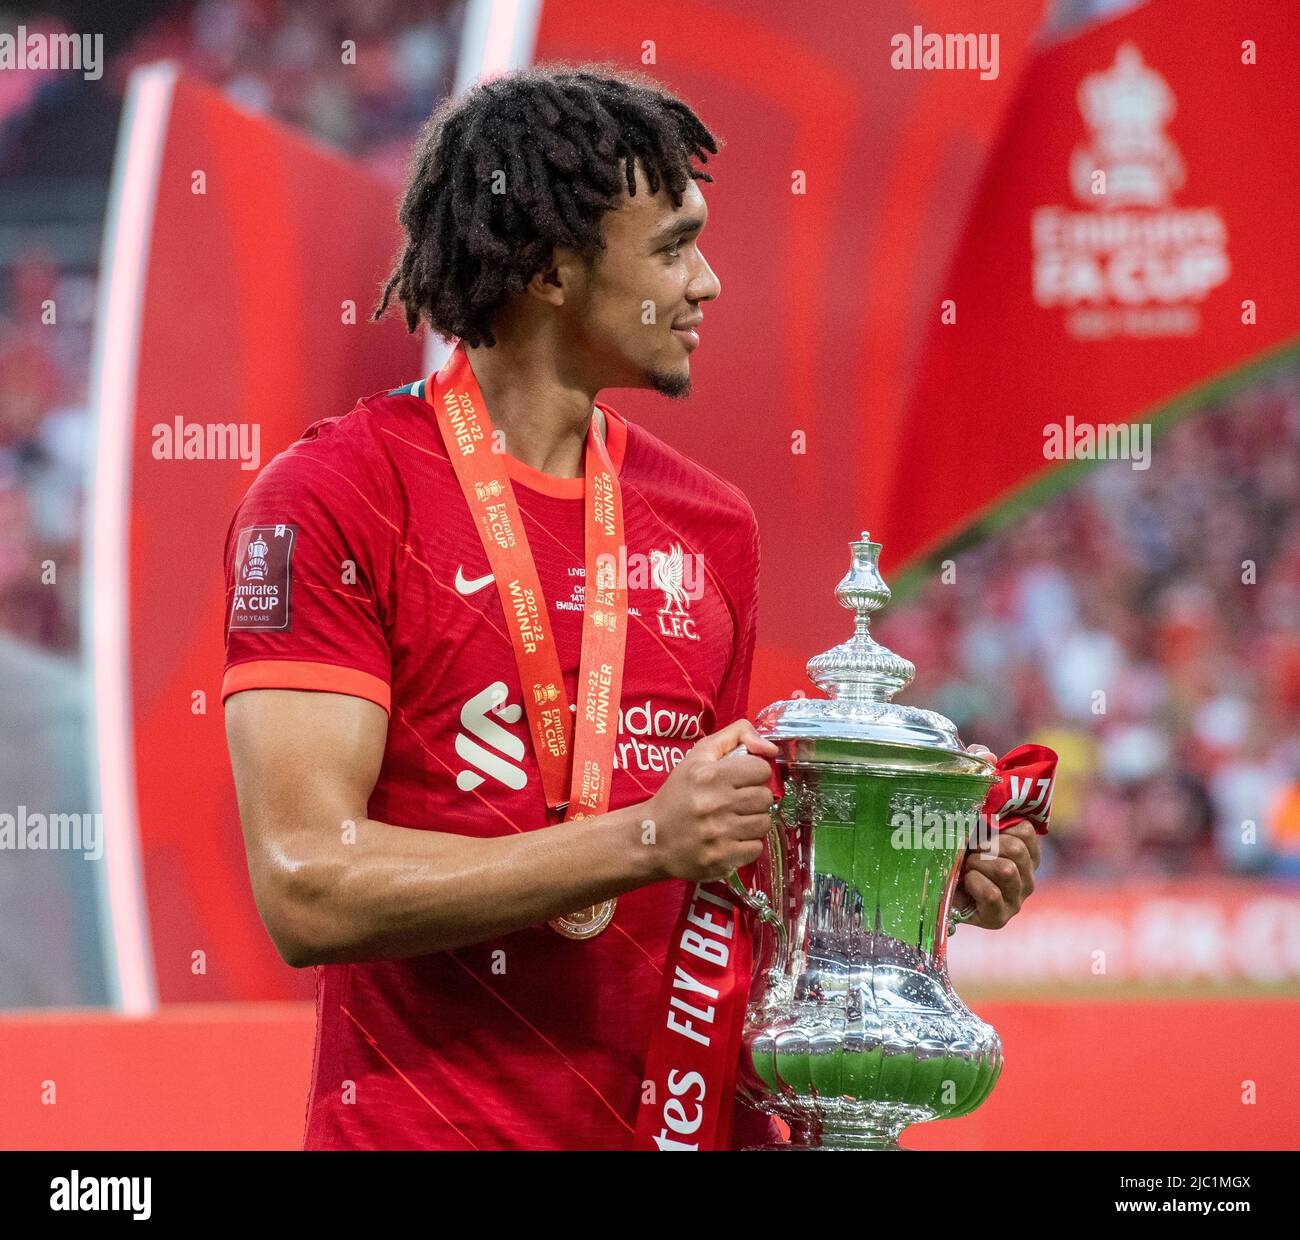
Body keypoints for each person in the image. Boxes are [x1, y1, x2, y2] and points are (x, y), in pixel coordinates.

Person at [222, 64, 1039, 1151]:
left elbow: (721, 869)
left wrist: (916, 878)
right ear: (552, 272)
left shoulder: (706, 524)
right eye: (671, 248)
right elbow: (306, 885)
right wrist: (644, 836)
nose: (707, 284)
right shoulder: (334, 496)